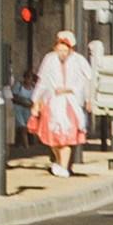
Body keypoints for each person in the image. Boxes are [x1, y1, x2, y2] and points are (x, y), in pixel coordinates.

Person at [28, 31, 93, 176]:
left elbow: (87, 80)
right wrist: (36, 101)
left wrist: (88, 98)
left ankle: (64, 167)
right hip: (52, 103)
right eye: (60, 49)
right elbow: (43, 82)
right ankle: (59, 162)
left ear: (71, 49)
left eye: (66, 50)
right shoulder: (49, 59)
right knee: (53, 138)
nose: (62, 53)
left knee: (67, 138)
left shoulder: (79, 60)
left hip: (71, 102)